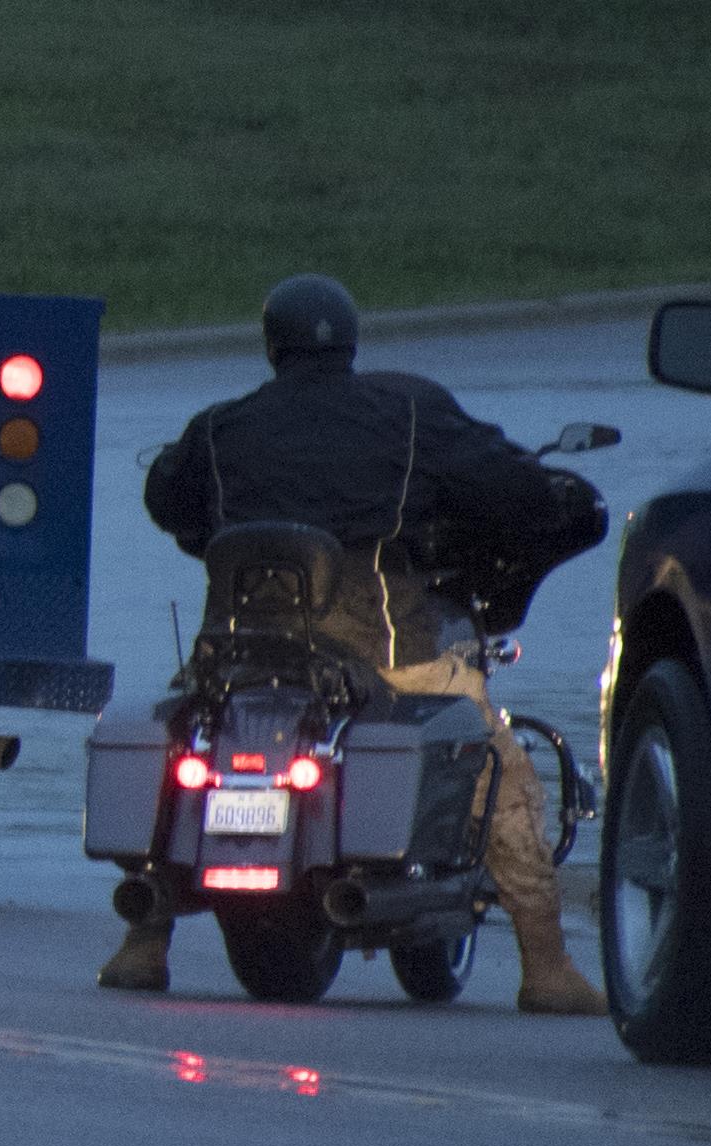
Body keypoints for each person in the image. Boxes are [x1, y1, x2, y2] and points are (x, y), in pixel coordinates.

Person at [122, 271, 612, 1008]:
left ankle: (142, 942)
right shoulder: (408, 417)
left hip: (237, 657)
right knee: (495, 765)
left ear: (270, 345)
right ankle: (546, 965)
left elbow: (167, 496)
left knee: (184, 737)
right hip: (384, 653)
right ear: (351, 342)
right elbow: (512, 490)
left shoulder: (221, 427)